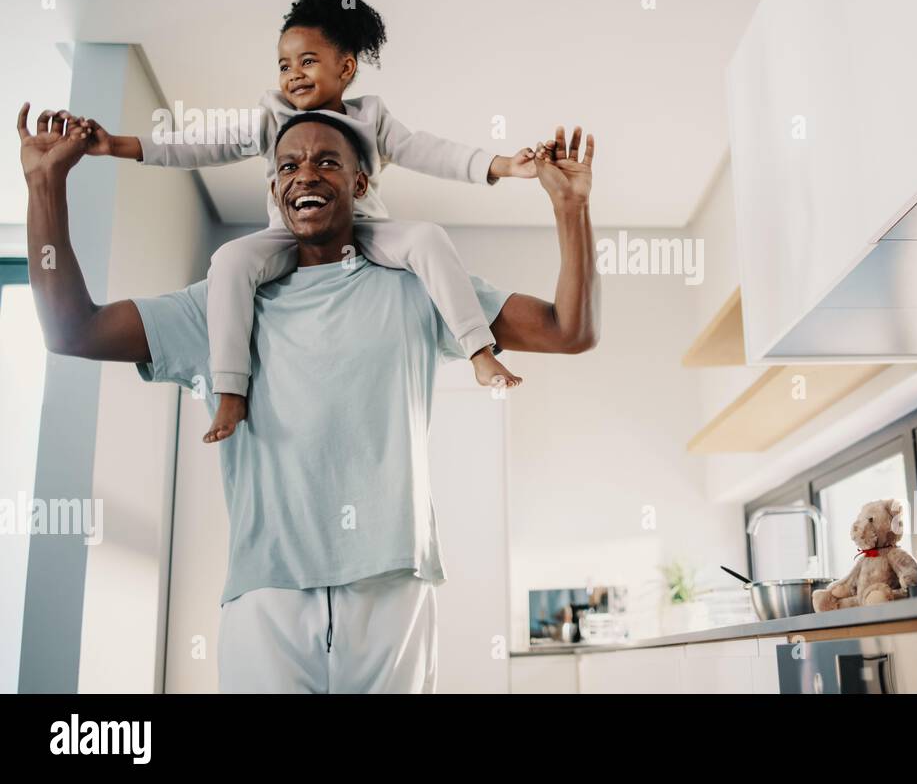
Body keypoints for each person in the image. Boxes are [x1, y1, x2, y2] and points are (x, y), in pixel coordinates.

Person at [18, 104, 599, 693]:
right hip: (267, 595)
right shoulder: (221, 304)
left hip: (391, 587)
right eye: (289, 165)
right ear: (274, 190)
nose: (306, 174)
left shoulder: (420, 288)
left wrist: (570, 208)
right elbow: (72, 330)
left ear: (361, 184)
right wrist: (45, 184)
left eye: (328, 161)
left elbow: (568, 331)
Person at [77, 0, 536, 444]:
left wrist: (500, 165)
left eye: (308, 61)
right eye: (284, 65)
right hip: (288, 235)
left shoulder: (371, 118)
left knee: (428, 238)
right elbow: (203, 142)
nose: (293, 74)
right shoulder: (271, 116)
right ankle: (231, 390)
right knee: (229, 262)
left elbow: (427, 150)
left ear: (347, 67)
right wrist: (118, 145)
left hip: (366, 230)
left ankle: (479, 353)